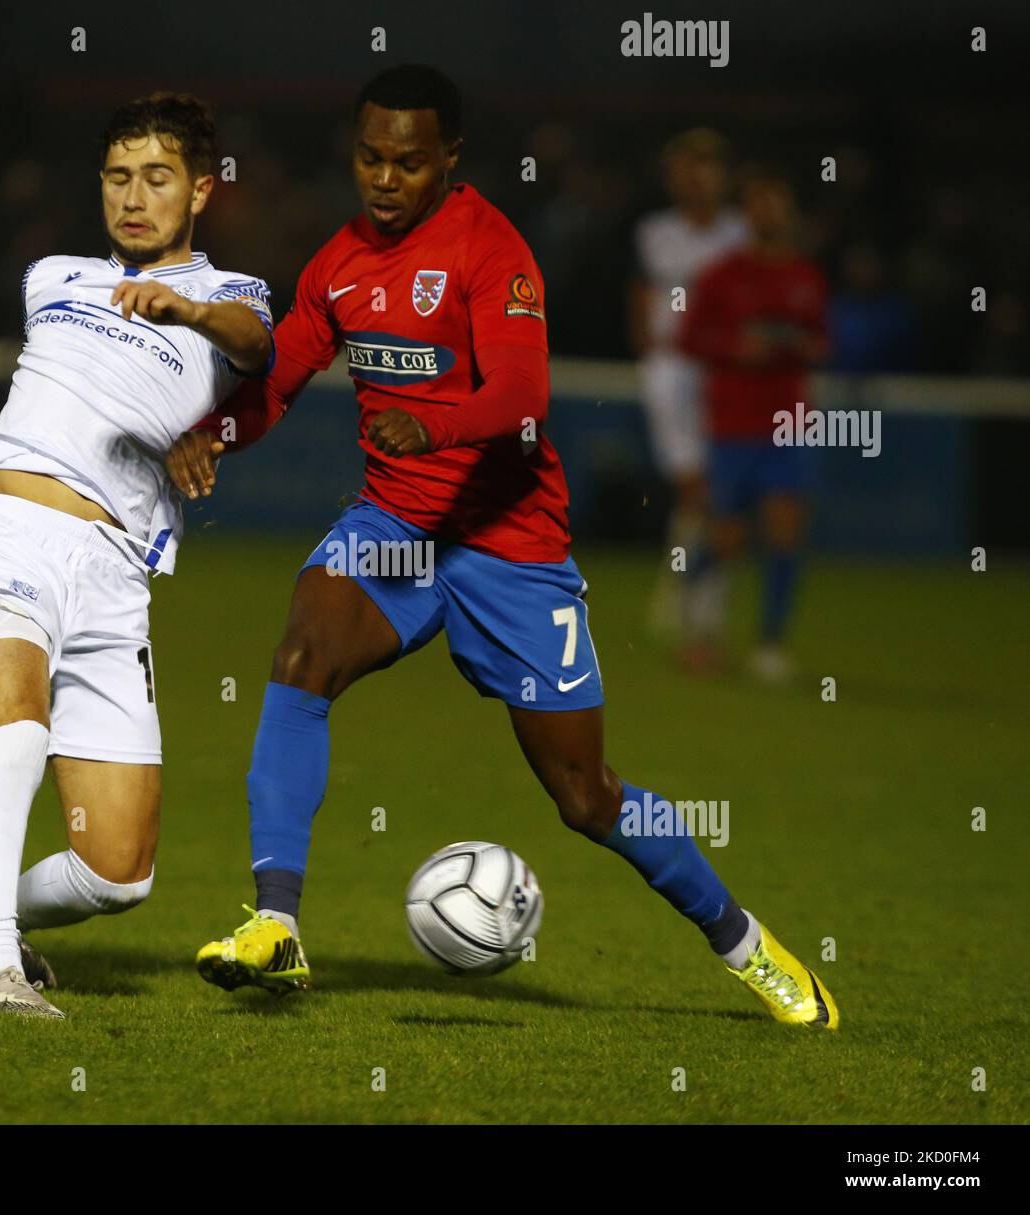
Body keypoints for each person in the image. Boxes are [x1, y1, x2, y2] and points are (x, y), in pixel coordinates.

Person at [167, 66, 838, 1029]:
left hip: (508, 547)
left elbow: (522, 395)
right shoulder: (337, 265)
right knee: (301, 657)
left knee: (585, 793)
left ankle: (745, 943)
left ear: (450, 160)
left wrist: (432, 432)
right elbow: (276, 381)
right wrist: (215, 434)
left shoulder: (493, 252)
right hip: (395, 529)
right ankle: (275, 925)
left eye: (408, 161)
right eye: (369, 156)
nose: (385, 178)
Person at [0, 92, 273, 1017]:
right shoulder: (56, 277)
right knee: (16, 733)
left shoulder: (234, 298)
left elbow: (256, 346)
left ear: (202, 190)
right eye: (118, 177)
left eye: (158, 178)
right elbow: (93, 389)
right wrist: (172, 428)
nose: (133, 196)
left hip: (116, 579)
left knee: (117, 872)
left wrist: (189, 313)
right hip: (13, 540)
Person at [678, 166, 829, 680]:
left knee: (786, 532)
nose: (769, 213)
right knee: (726, 538)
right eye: (759, 203)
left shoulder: (804, 275)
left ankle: (770, 645)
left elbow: (823, 339)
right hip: (734, 423)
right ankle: (693, 617)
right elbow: (689, 337)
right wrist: (736, 348)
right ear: (748, 214)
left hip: (788, 423)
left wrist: (804, 346)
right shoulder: (723, 275)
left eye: (777, 204)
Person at [628, 129, 747, 640]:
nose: (697, 179)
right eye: (687, 168)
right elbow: (639, 297)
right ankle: (692, 592)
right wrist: (649, 349)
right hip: (674, 370)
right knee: (696, 487)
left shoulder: (740, 233)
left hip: (726, 370)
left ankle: (688, 592)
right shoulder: (655, 231)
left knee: (715, 491)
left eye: (706, 167)